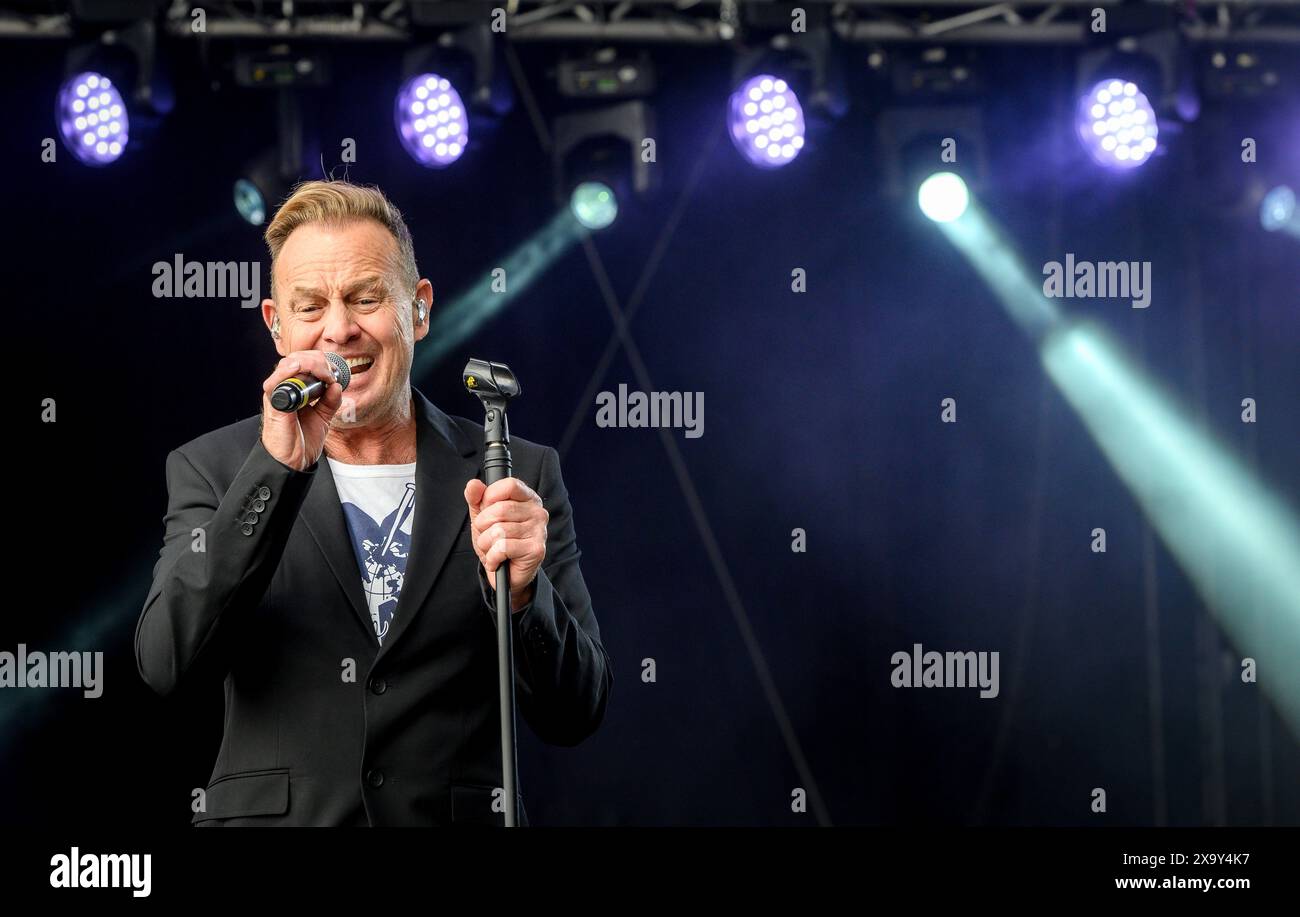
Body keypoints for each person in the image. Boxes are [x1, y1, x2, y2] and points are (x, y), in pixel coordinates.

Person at [135, 180, 612, 826]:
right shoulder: (215, 470)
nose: (340, 329)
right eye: (311, 306)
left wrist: (527, 597)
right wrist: (275, 470)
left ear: (417, 309)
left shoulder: (519, 470)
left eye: (365, 298)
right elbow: (168, 663)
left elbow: (575, 711)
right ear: (277, 326)